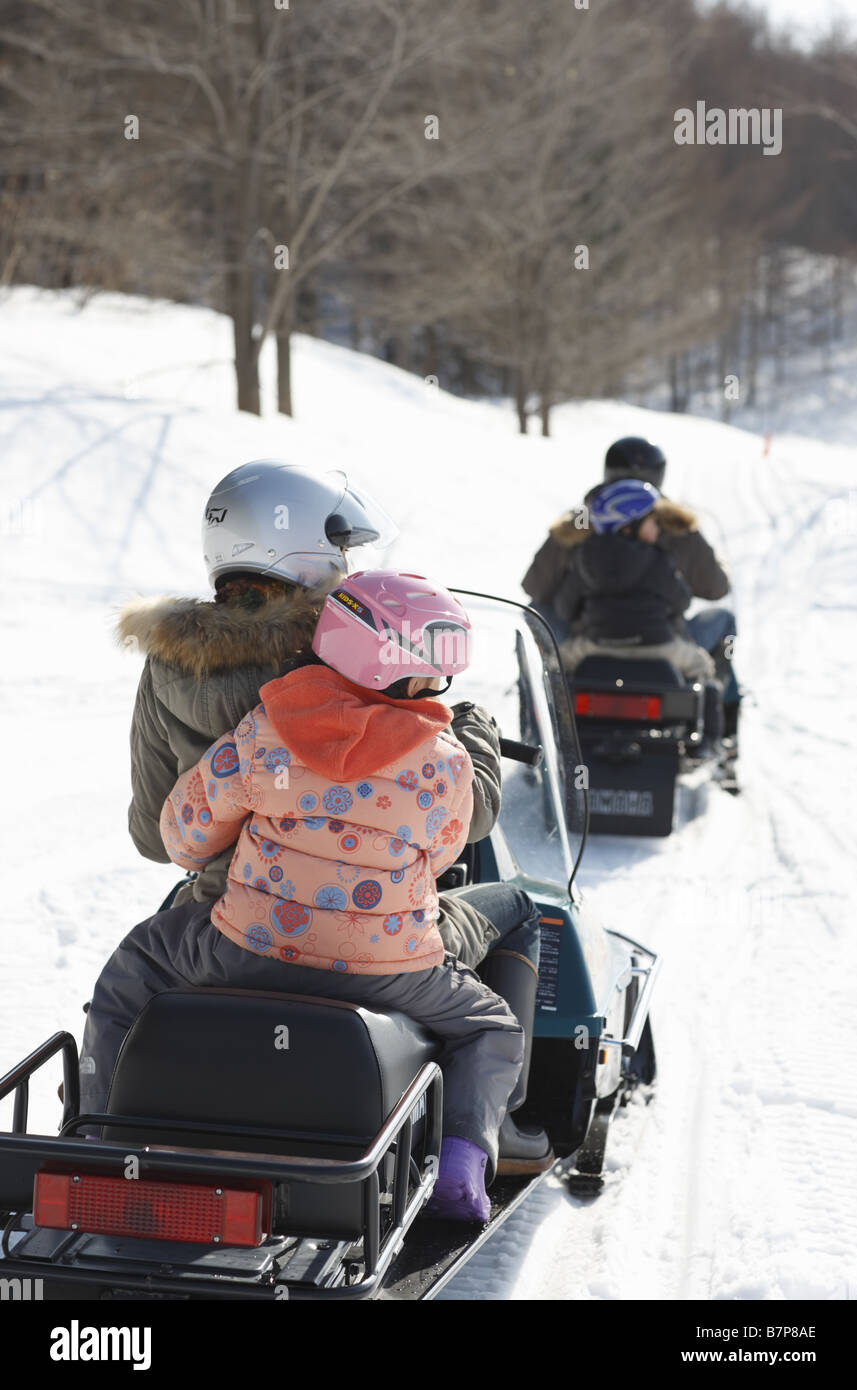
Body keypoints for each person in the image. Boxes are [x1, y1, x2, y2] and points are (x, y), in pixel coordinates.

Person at [116, 460, 548, 1170]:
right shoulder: (348, 647)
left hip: (228, 917)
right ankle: (497, 1127)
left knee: (147, 947)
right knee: (516, 908)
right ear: (306, 550)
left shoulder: (168, 661)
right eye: (340, 548)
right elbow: (460, 822)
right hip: (367, 926)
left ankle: (112, 1113)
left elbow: (154, 835)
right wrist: (469, 733)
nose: (348, 565)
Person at [522, 437, 740, 737]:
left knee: (534, 616)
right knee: (723, 623)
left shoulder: (579, 524)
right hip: (662, 643)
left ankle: (537, 730)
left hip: (590, 642)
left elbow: (536, 587)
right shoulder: (672, 524)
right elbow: (714, 589)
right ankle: (722, 736)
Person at [555, 480, 724, 743]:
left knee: (553, 669)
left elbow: (565, 608)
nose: (657, 528)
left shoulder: (585, 556)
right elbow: (683, 602)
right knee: (702, 666)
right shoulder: (658, 559)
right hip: (658, 647)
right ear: (628, 526)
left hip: (595, 646)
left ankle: (550, 733)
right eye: (652, 522)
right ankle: (709, 741)